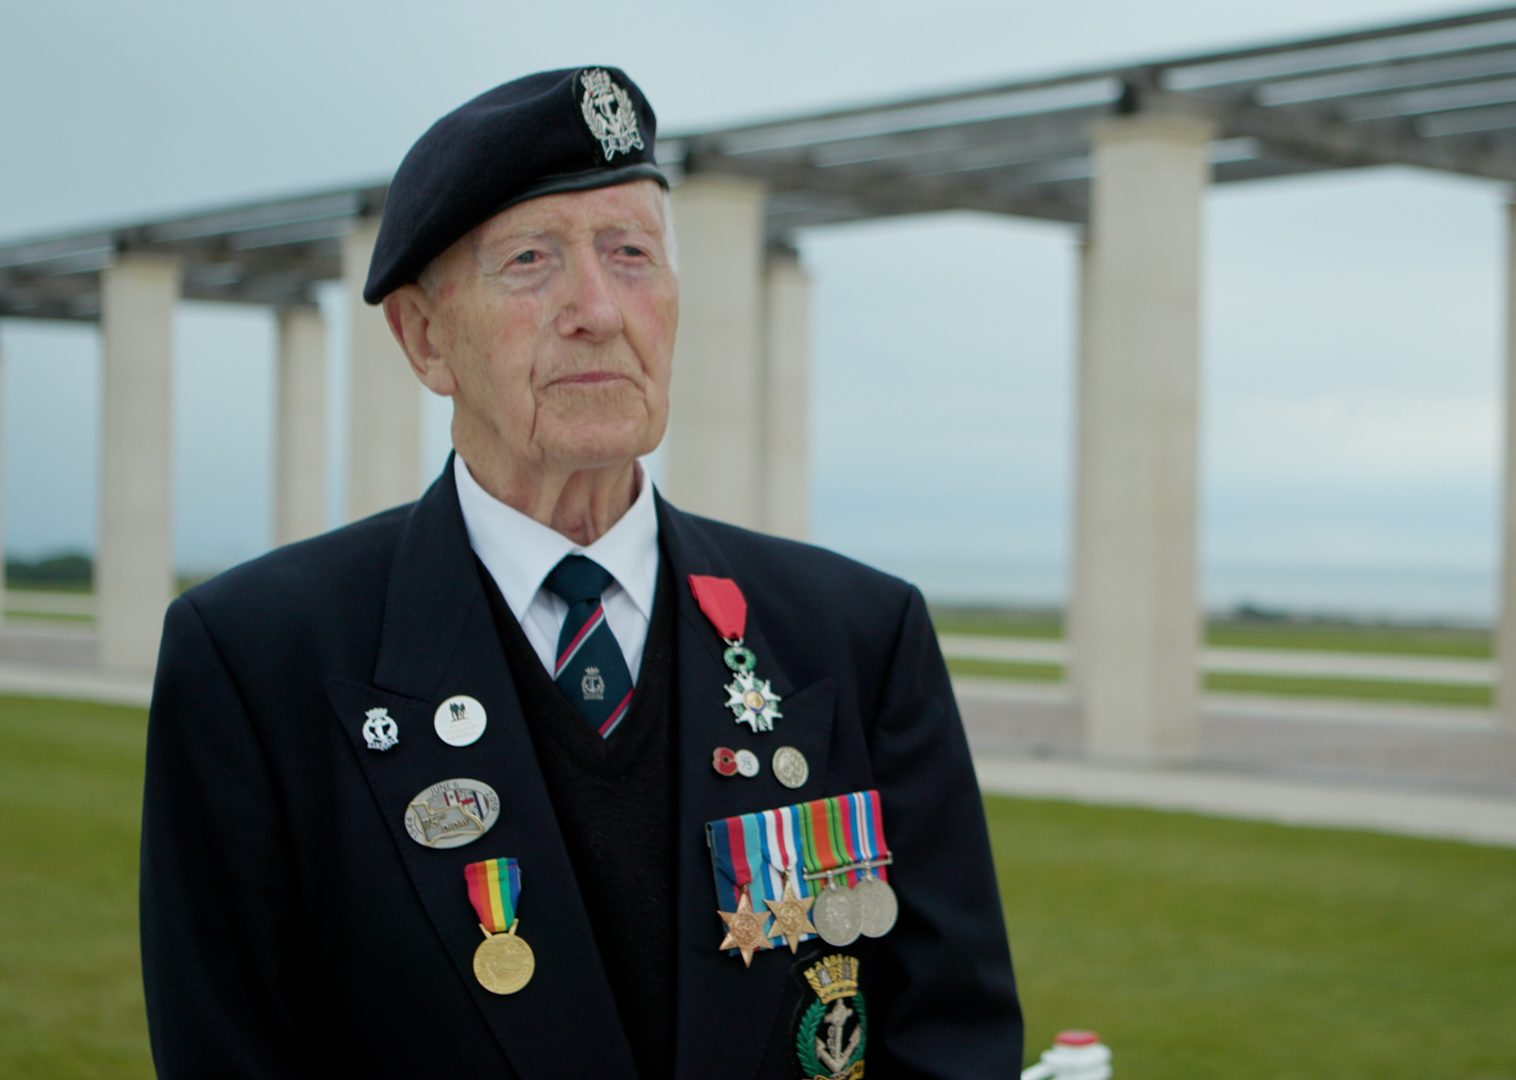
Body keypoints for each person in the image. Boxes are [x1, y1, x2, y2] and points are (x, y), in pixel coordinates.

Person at [140, 65, 1021, 1078]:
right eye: (529, 261)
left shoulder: (855, 635)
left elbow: (952, 1040)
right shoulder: (259, 659)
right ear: (426, 339)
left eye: (630, 254)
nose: (598, 309)